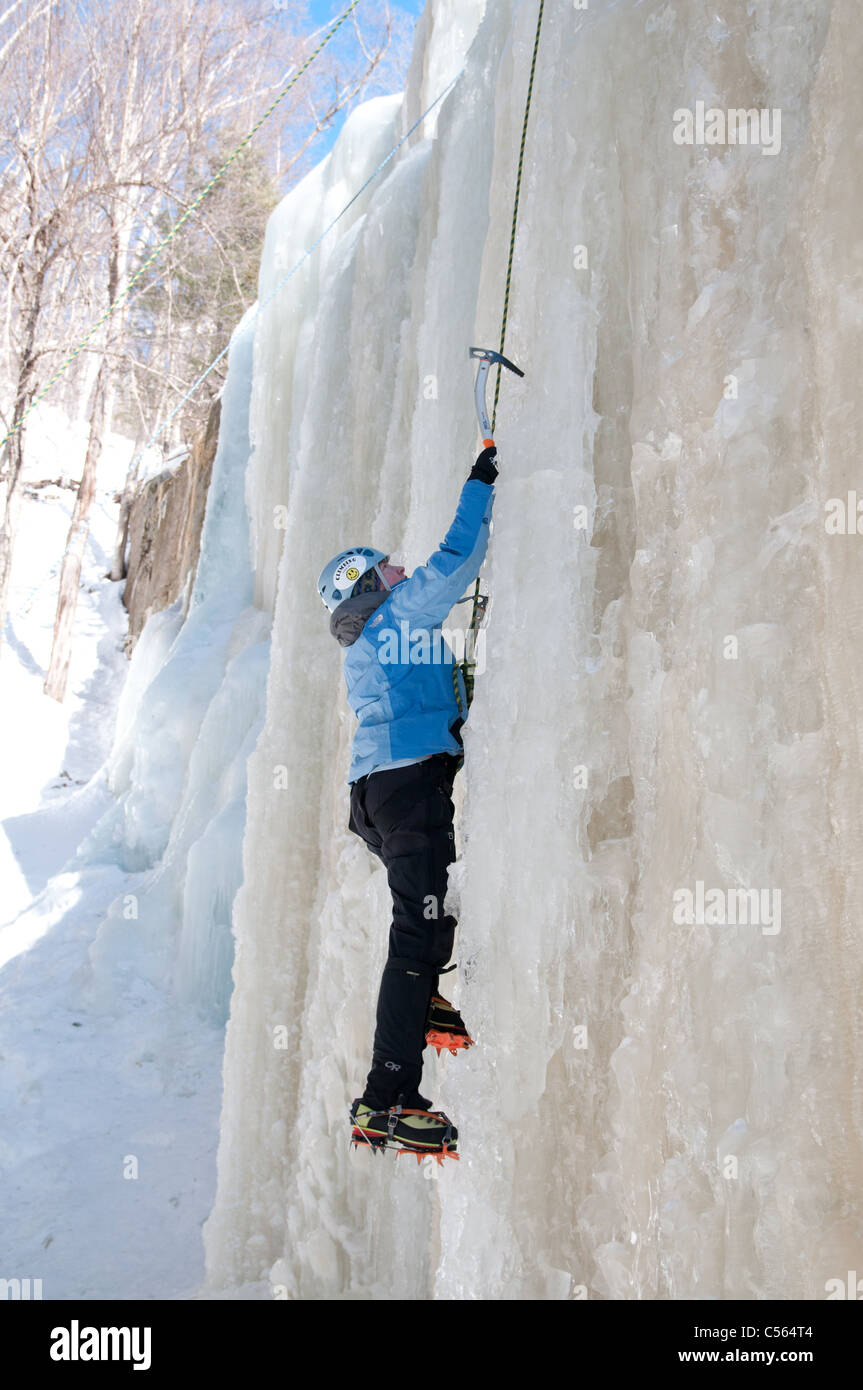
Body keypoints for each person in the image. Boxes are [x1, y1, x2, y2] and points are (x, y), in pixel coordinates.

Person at [317, 445, 499, 1158]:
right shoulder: (390, 621)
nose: (398, 567)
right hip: (406, 785)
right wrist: (479, 483)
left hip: (381, 798)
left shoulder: (371, 646)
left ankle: (422, 1006)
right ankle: (387, 1097)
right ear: (367, 585)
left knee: (429, 911)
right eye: (384, 564)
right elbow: (454, 559)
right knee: (413, 937)